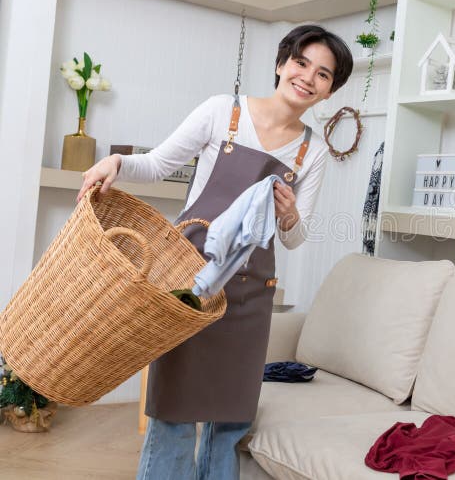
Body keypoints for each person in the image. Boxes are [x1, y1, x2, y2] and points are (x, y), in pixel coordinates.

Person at [77, 24, 353, 480]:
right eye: (302, 63)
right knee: (175, 411)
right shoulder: (223, 111)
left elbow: (293, 237)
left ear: (328, 91)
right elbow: (159, 164)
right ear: (282, 63)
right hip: (190, 282)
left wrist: (287, 216)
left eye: (323, 74)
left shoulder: (313, 150)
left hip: (250, 295)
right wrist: (117, 164)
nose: (308, 77)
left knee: (231, 420)